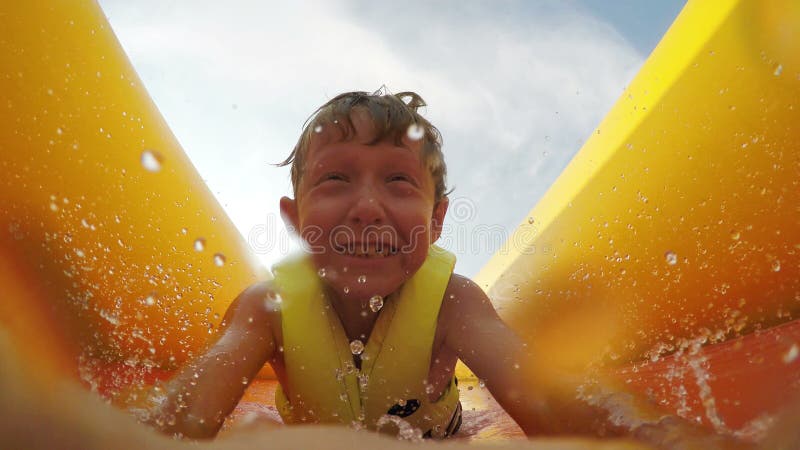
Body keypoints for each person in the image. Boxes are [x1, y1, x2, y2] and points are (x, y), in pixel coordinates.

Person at [130, 89, 753, 448]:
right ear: (296, 217)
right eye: (335, 179)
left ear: (435, 221)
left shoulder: (454, 303)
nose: (368, 207)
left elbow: (549, 397)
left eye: (399, 182)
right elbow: (182, 417)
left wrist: (665, 437)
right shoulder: (265, 308)